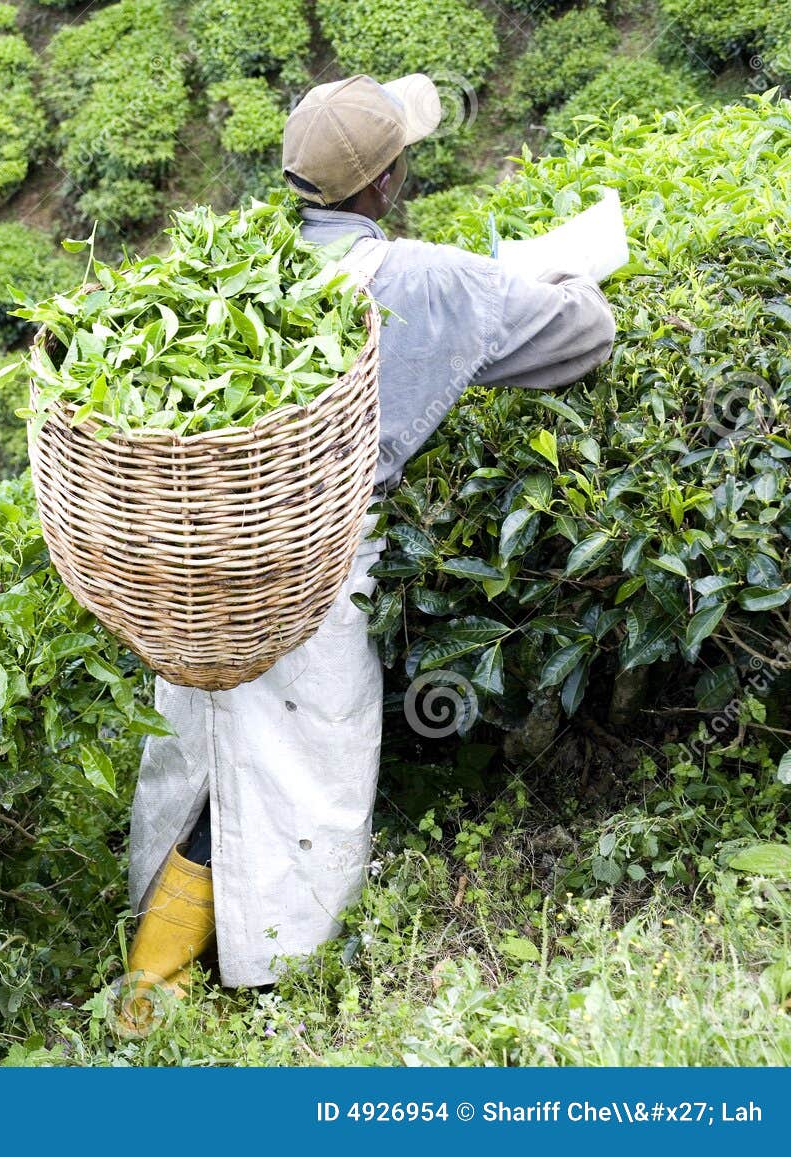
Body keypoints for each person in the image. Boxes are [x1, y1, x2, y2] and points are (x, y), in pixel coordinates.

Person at [116, 74, 617, 1033]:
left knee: (211, 747)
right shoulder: (421, 276)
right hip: (314, 576)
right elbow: (580, 336)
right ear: (384, 186)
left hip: (201, 574)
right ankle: (269, 980)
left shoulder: (235, 270)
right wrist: (552, 277)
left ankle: (158, 964)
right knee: (302, 765)